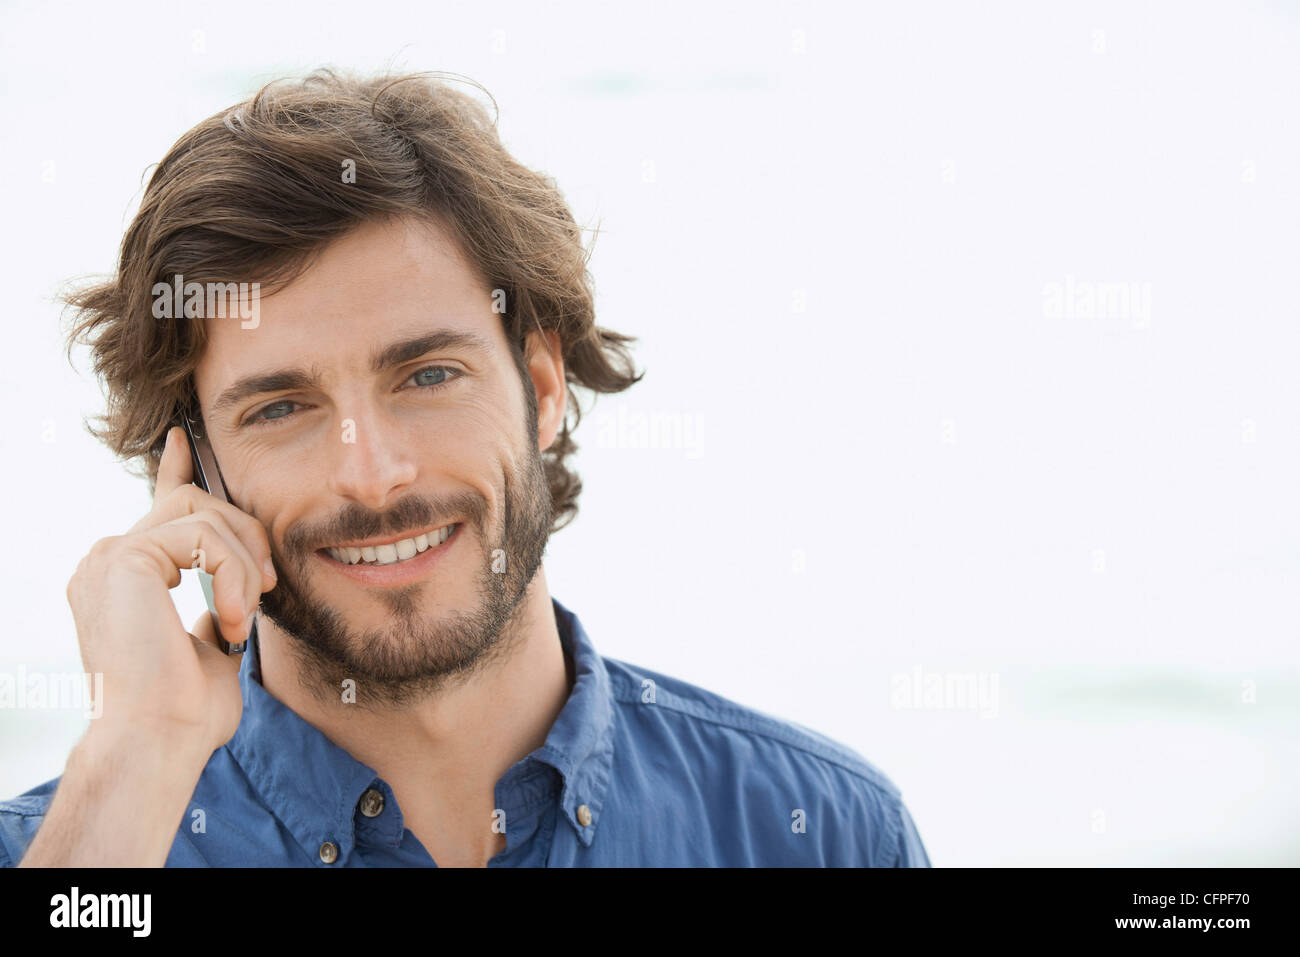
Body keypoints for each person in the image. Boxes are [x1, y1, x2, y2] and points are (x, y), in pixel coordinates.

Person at [0, 69, 930, 867]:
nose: (373, 476)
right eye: (281, 407)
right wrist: (137, 752)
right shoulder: (72, 847)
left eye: (429, 374)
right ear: (193, 468)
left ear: (541, 383)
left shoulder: (820, 834)